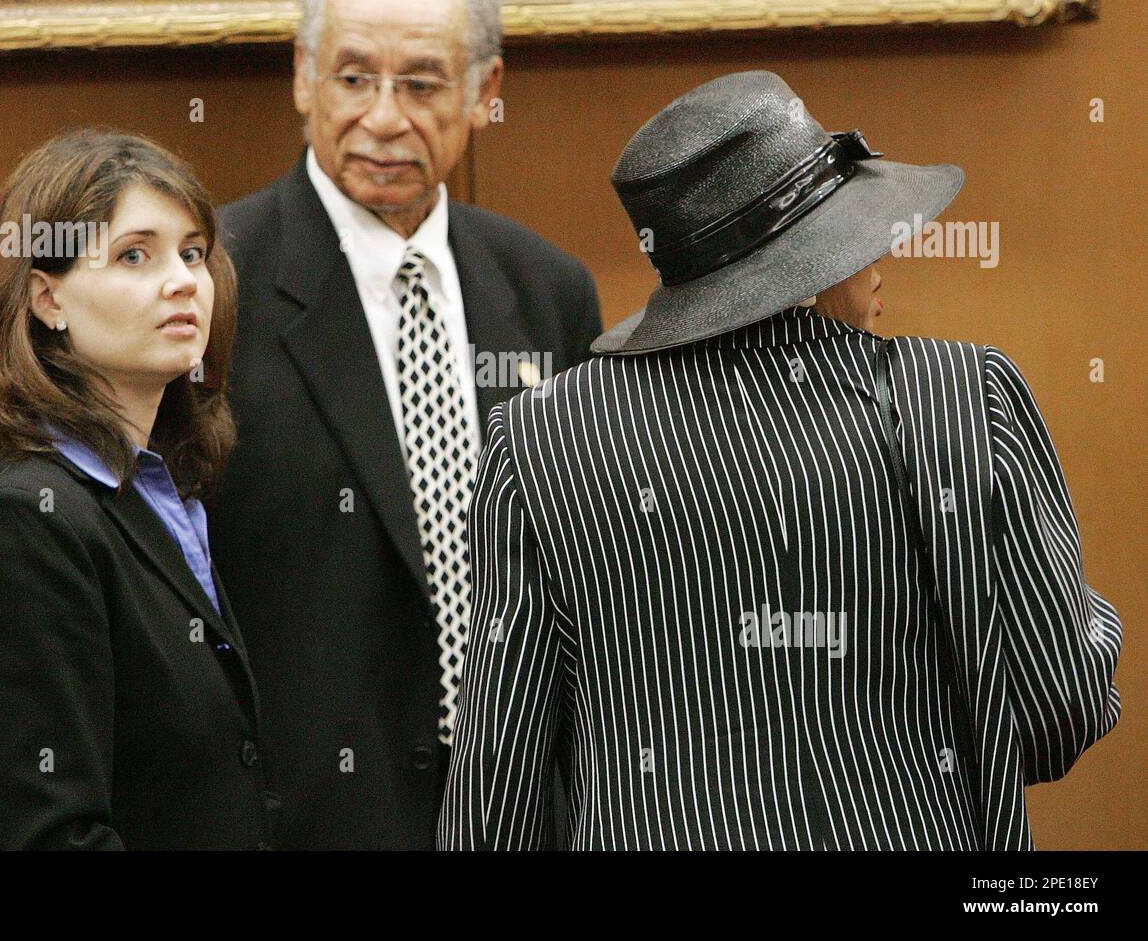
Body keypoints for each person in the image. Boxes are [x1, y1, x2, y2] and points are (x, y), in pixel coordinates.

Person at [0, 0, 601, 849]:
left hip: (527, 813)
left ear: (485, 91)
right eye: (353, 77)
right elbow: (53, 535)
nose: (385, 116)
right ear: (303, 76)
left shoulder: (549, 290)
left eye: (423, 82)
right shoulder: (201, 290)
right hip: (297, 823)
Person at [438, 71, 1122, 850]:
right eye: (861, 236)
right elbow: (1057, 709)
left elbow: (498, 789)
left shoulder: (537, 442)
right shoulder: (962, 399)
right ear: (812, 263)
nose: (880, 265)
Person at [0, 129, 276, 849]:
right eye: (134, 254)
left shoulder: (164, 493)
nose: (182, 280)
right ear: (47, 298)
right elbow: (45, 837)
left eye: (193, 251)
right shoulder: (22, 522)